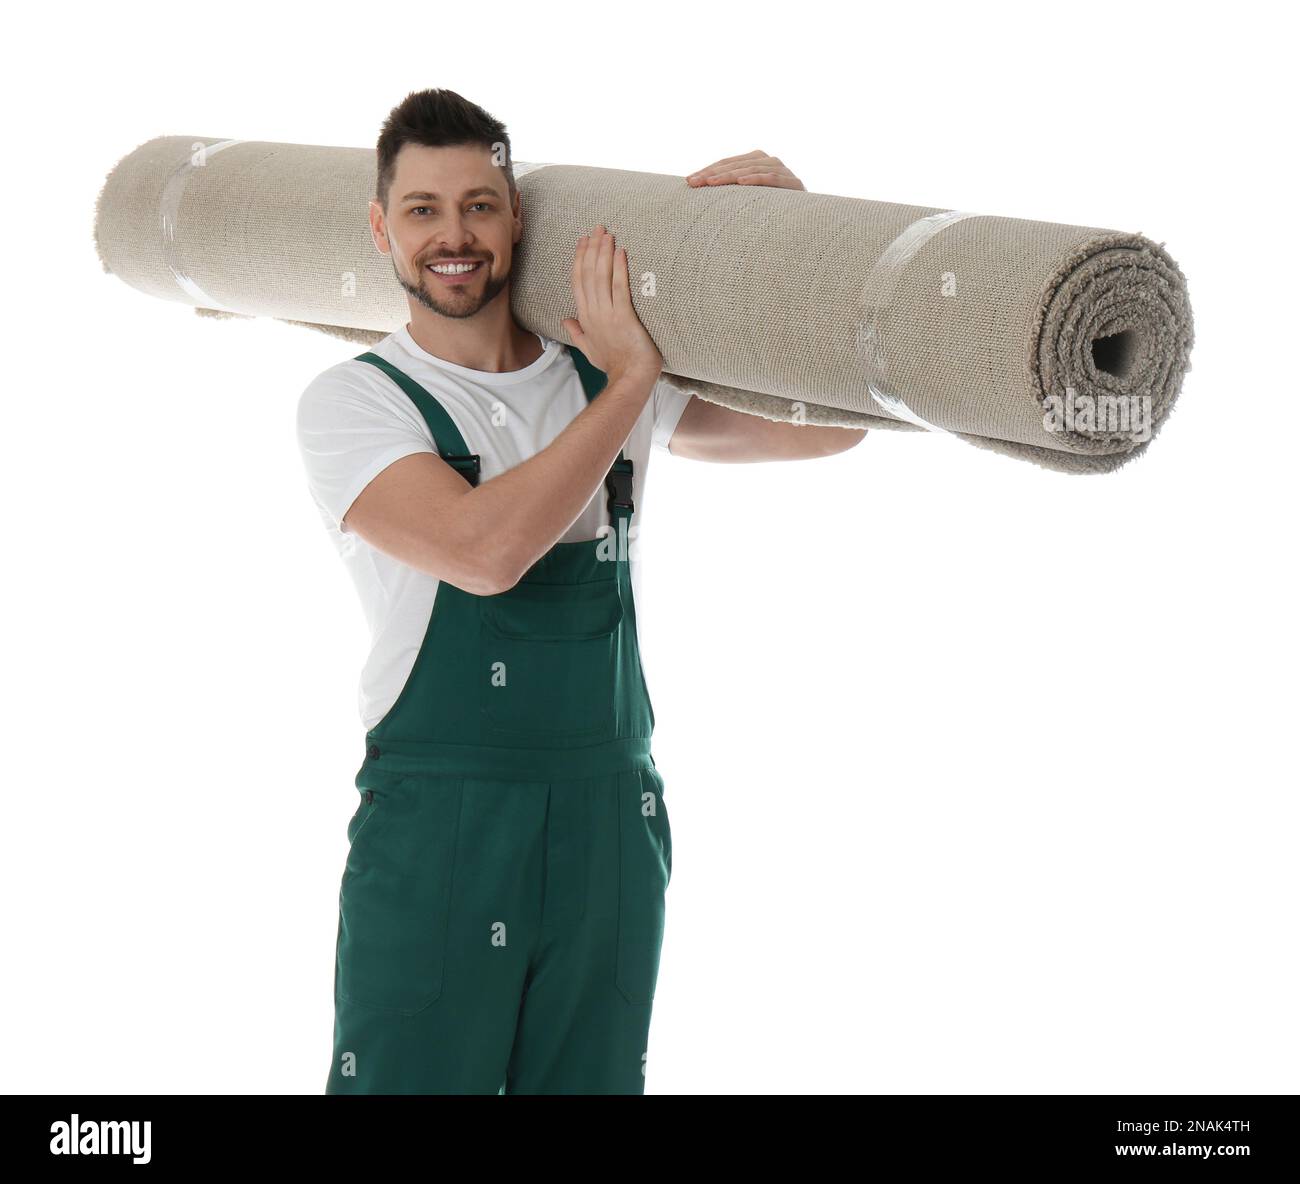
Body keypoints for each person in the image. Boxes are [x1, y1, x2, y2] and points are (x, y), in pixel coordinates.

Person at [296, 88, 866, 1095]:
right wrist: (633, 383)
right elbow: (484, 551)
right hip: (441, 826)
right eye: (422, 209)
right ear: (382, 228)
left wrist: (798, 236)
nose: (453, 234)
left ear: (516, 218)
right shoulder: (357, 402)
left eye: (479, 203)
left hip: (610, 813)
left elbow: (831, 427)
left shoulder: (599, 369)